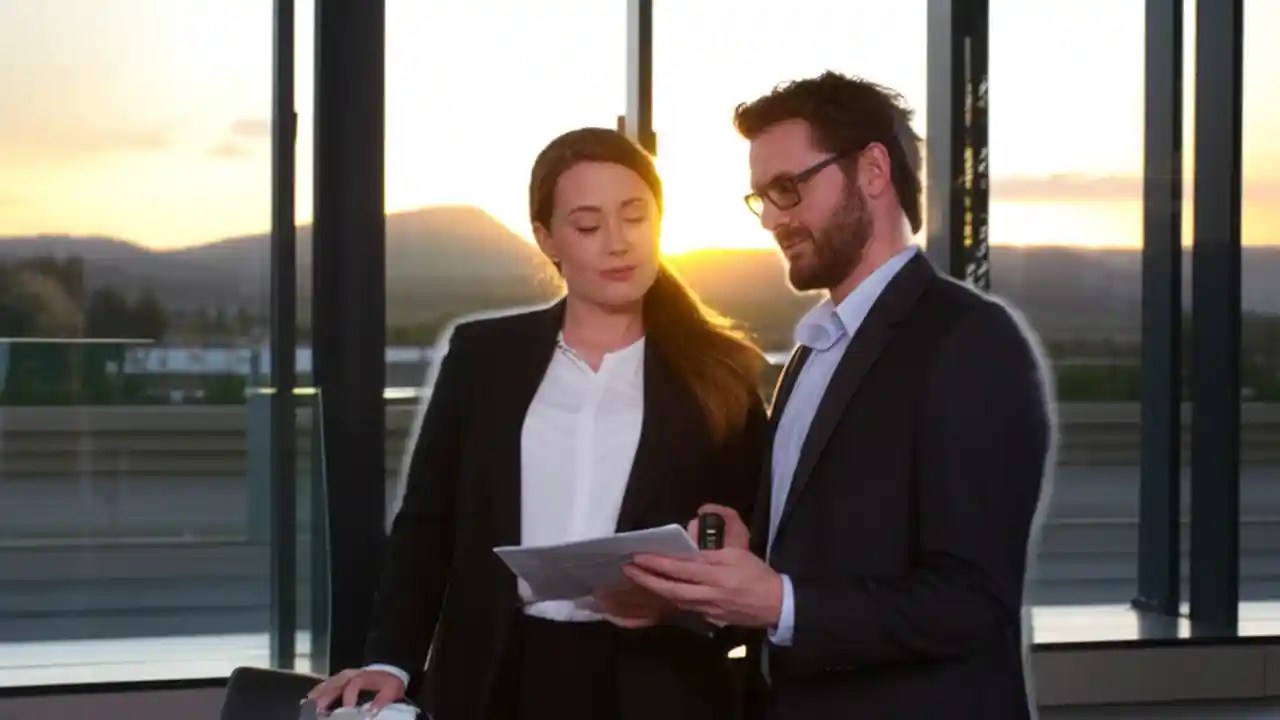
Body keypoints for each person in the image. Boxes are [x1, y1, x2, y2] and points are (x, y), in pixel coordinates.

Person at [621, 72, 1055, 719]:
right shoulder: (812, 352)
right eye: (761, 198)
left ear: (873, 170)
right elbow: (818, 563)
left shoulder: (971, 341)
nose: (771, 218)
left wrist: (779, 602)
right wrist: (737, 566)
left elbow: (973, 601)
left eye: (788, 189)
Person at [306, 127, 767, 720]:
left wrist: (687, 596)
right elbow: (427, 522)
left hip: (658, 681)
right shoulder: (483, 355)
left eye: (634, 217)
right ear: (548, 239)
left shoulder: (721, 371)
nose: (618, 243)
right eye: (587, 224)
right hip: (498, 671)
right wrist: (390, 660)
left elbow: (749, 534)